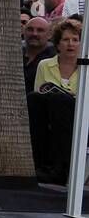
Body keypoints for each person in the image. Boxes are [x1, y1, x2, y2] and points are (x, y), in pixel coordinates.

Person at [29, 19, 81, 182]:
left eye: (75, 40)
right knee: (34, 99)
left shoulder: (86, 68)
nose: (70, 44)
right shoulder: (44, 65)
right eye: (65, 40)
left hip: (78, 117)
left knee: (59, 99)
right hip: (50, 116)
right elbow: (40, 94)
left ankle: (61, 168)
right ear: (58, 44)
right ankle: (40, 164)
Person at [22, 16, 56, 91]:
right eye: (30, 29)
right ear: (24, 32)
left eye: (40, 30)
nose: (34, 34)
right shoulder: (15, 55)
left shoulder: (54, 59)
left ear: (49, 34)